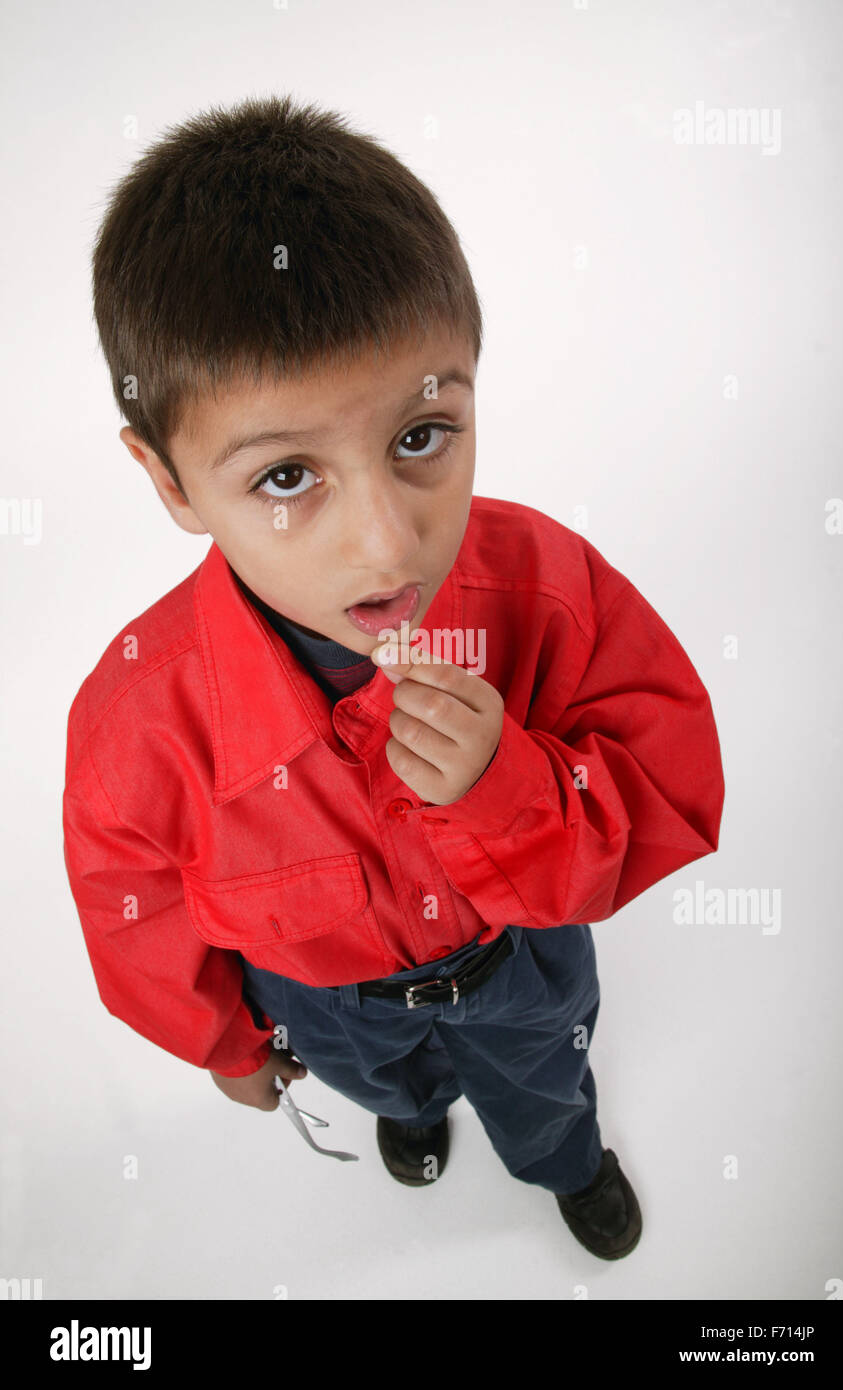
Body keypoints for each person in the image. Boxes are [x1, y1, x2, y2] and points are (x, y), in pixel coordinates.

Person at [62, 93, 725, 1263]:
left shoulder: (546, 591)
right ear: (168, 481)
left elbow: (668, 794)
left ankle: (567, 1158)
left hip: (521, 969)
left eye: (422, 435)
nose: (386, 544)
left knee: (543, 1088)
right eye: (284, 477)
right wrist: (223, 1041)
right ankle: (414, 1118)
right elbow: (139, 910)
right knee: (390, 1087)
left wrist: (508, 788)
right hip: (330, 1007)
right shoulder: (137, 720)